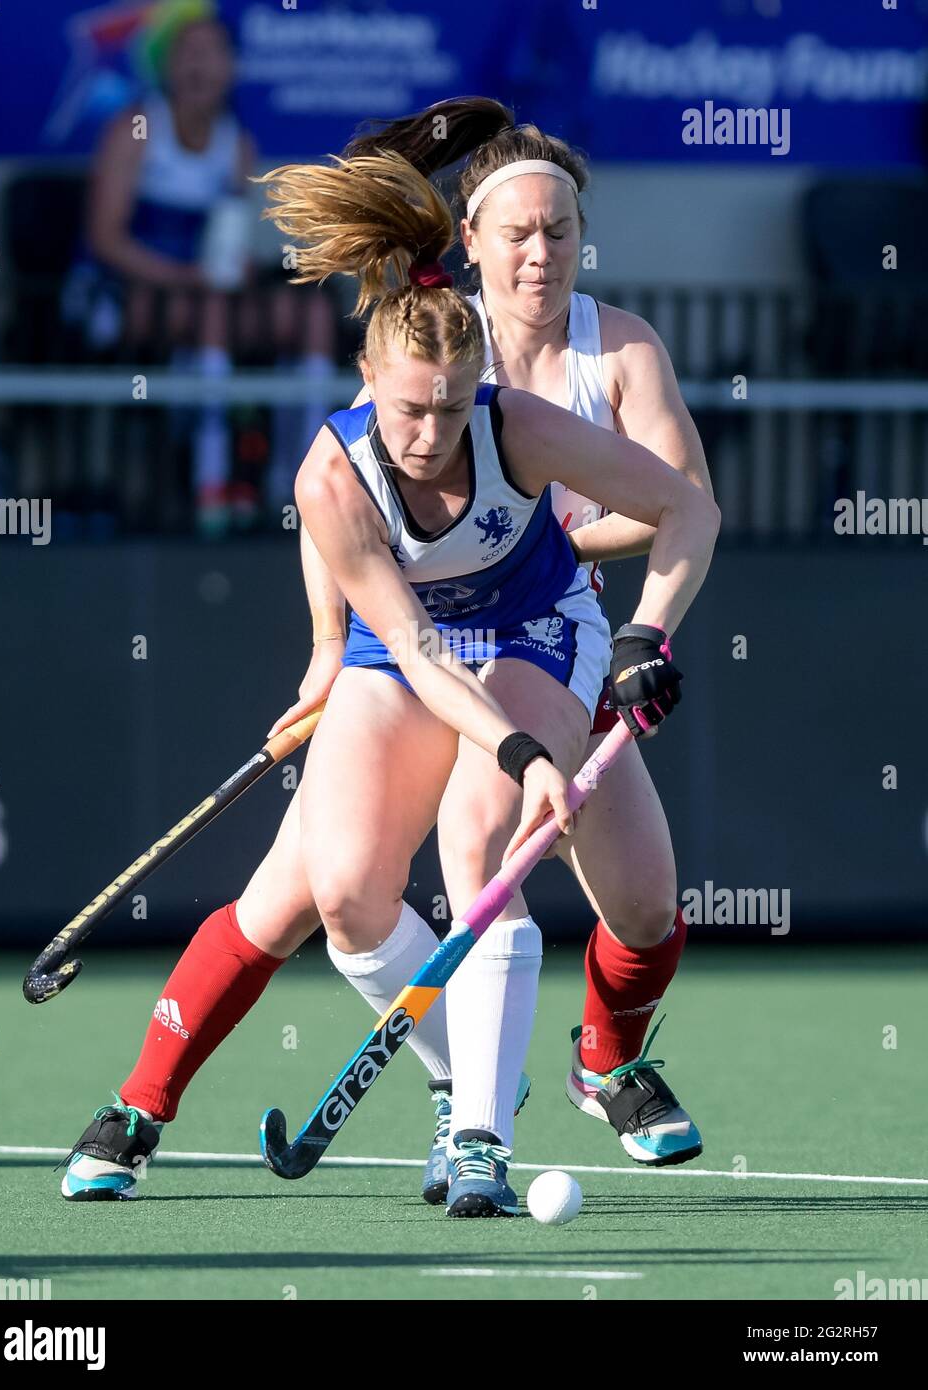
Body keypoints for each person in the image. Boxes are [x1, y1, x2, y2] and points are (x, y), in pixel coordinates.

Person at [59, 142, 718, 1218]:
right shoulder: (334, 462)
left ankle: (478, 1143)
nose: (429, 437)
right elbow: (402, 637)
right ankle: (457, 1075)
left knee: (492, 854)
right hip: (404, 641)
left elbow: (686, 504)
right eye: (408, 412)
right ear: (366, 383)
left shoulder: (521, 412)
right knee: (341, 888)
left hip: (536, 629)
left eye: (450, 414)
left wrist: (644, 632)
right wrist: (332, 649)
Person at [61, 11, 336, 532]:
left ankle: (300, 485)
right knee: (210, 312)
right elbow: (105, 239)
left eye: (212, 53)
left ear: (230, 68)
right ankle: (209, 488)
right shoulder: (135, 128)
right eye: (187, 53)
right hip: (121, 294)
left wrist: (237, 271)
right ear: (166, 65)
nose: (199, 67)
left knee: (310, 316)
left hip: (201, 296)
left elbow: (229, 245)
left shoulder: (238, 143)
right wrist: (187, 279)